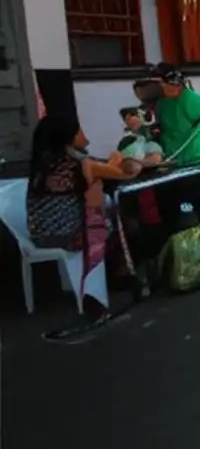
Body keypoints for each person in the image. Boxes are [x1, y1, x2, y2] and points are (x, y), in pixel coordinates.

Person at [27, 116, 140, 311]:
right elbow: (129, 172)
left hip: (39, 235)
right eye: (78, 130)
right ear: (68, 137)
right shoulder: (78, 163)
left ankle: (106, 276)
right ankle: (118, 277)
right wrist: (119, 157)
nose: (83, 133)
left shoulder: (43, 161)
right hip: (67, 236)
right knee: (126, 222)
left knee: (103, 204)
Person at [153, 64, 200, 227]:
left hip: (192, 161)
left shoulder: (190, 100)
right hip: (171, 162)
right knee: (170, 208)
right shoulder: (162, 103)